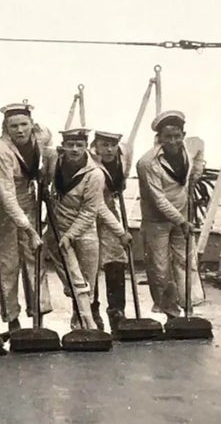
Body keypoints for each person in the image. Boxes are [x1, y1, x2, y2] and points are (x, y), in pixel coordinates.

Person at [135, 109, 206, 317]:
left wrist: (196, 174)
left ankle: (189, 307)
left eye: (177, 136)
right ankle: (169, 311)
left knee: (186, 261)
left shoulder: (191, 146)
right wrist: (182, 221)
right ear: (159, 138)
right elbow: (159, 200)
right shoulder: (147, 162)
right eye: (168, 137)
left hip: (183, 215)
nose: (173, 141)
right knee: (160, 267)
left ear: (183, 135)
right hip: (156, 220)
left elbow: (200, 147)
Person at [0, 101, 51, 327]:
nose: (20, 130)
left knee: (35, 257)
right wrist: (30, 229)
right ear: (6, 128)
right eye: (14, 126)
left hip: (28, 199)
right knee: (8, 263)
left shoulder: (40, 138)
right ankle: (12, 319)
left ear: (32, 124)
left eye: (24, 124)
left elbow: (47, 143)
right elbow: (6, 195)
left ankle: (38, 314)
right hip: (2, 207)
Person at [45, 126, 106, 330]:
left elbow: (90, 211)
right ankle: (84, 321)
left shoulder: (95, 174)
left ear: (86, 147)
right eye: (70, 145)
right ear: (63, 146)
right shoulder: (55, 160)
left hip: (85, 230)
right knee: (73, 278)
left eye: (79, 145)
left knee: (87, 279)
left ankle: (82, 318)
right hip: (59, 229)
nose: (74, 149)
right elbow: (41, 143)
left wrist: (71, 235)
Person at [89, 128, 134, 328]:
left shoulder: (123, 157)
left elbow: (121, 183)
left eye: (112, 145)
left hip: (108, 206)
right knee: (89, 259)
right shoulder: (88, 160)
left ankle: (117, 311)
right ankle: (90, 310)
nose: (108, 149)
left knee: (115, 256)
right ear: (95, 145)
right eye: (104, 145)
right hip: (86, 210)